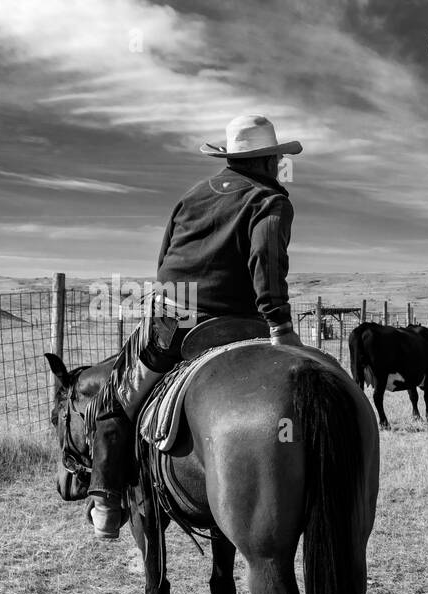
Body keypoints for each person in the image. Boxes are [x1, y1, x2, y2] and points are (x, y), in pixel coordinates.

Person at [86, 114, 305, 539]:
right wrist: (279, 326)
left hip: (178, 317)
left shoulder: (191, 196)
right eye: (275, 157)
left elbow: (165, 258)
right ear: (264, 160)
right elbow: (267, 263)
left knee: (118, 396)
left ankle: (106, 500)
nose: (279, 165)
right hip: (244, 324)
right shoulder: (270, 200)